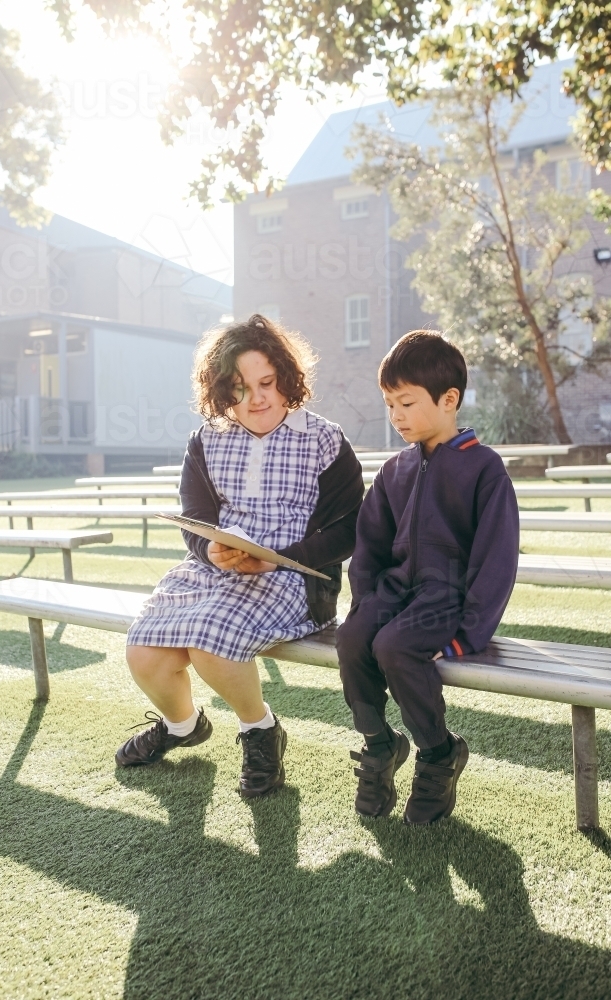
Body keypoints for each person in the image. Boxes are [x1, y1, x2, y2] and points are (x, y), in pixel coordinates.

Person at [117, 314, 365, 798]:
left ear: (286, 378)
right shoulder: (206, 440)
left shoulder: (325, 440)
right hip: (212, 575)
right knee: (142, 650)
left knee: (209, 642)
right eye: (239, 388)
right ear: (219, 390)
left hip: (294, 580)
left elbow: (350, 529)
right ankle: (183, 724)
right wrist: (210, 550)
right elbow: (196, 518)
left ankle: (260, 730)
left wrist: (276, 558)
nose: (256, 399)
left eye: (267, 383)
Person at [336, 330, 519, 824]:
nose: (395, 415)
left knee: (394, 647)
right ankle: (379, 744)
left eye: (406, 403)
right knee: (354, 637)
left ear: (449, 399)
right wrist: (367, 602)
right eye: (389, 403)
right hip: (395, 592)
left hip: (446, 598)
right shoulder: (395, 470)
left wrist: (467, 635)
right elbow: (369, 546)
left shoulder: (484, 469)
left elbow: (496, 558)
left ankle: (438, 753)